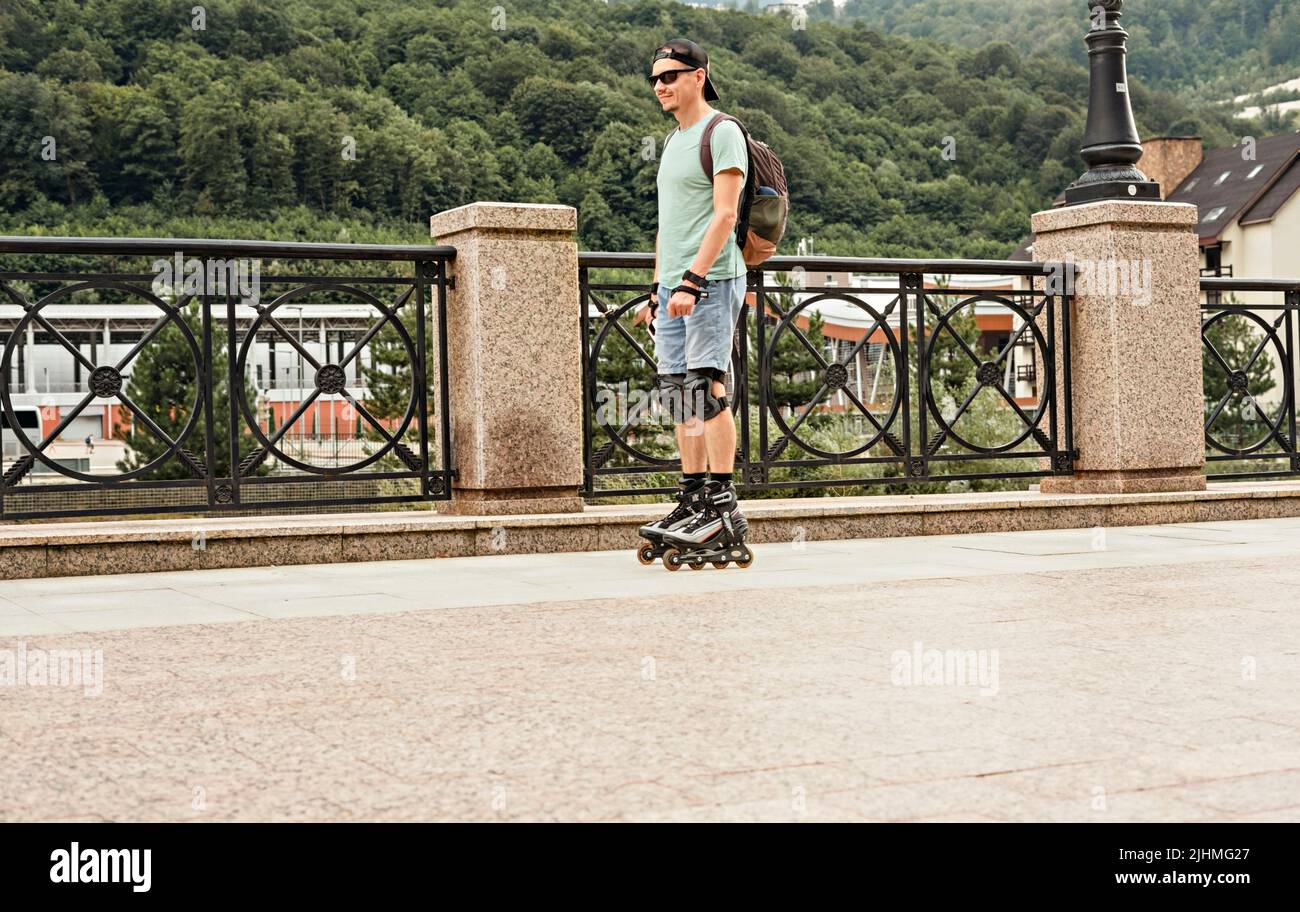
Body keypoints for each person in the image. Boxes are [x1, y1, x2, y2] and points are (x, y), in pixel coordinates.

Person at [636, 38, 753, 571]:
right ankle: (693, 496)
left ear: (699, 76)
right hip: (675, 289)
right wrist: (658, 289)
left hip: (712, 281)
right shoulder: (672, 142)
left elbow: (725, 216)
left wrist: (691, 282)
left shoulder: (721, 132)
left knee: (708, 387)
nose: (661, 85)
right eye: (655, 78)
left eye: (671, 75)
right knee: (678, 394)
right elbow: (668, 225)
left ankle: (724, 506)